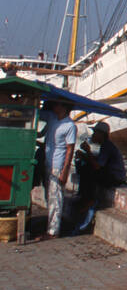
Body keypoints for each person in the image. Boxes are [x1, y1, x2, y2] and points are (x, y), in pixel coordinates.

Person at [72, 120, 127, 233]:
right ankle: (84, 196)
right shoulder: (104, 146)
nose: (93, 135)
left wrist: (87, 152)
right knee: (83, 166)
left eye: (95, 133)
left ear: (101, 134)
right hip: (109, 174)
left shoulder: (107, 147)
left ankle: (90, 199)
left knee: (89, 171)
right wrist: (83, 155)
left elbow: (97, 166)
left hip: (114, 177)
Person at [41, 99, 77, 239]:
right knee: (49, 197)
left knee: (56, 198)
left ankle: (53, 231)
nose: (54, 106)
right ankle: (50, 226)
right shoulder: (52, 118)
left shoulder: (69, 125)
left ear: (63, 107)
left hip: (58, 165)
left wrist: (65, 171)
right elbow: (39, 113)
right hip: (48, 163)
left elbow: (70, 149)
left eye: (56, 104)